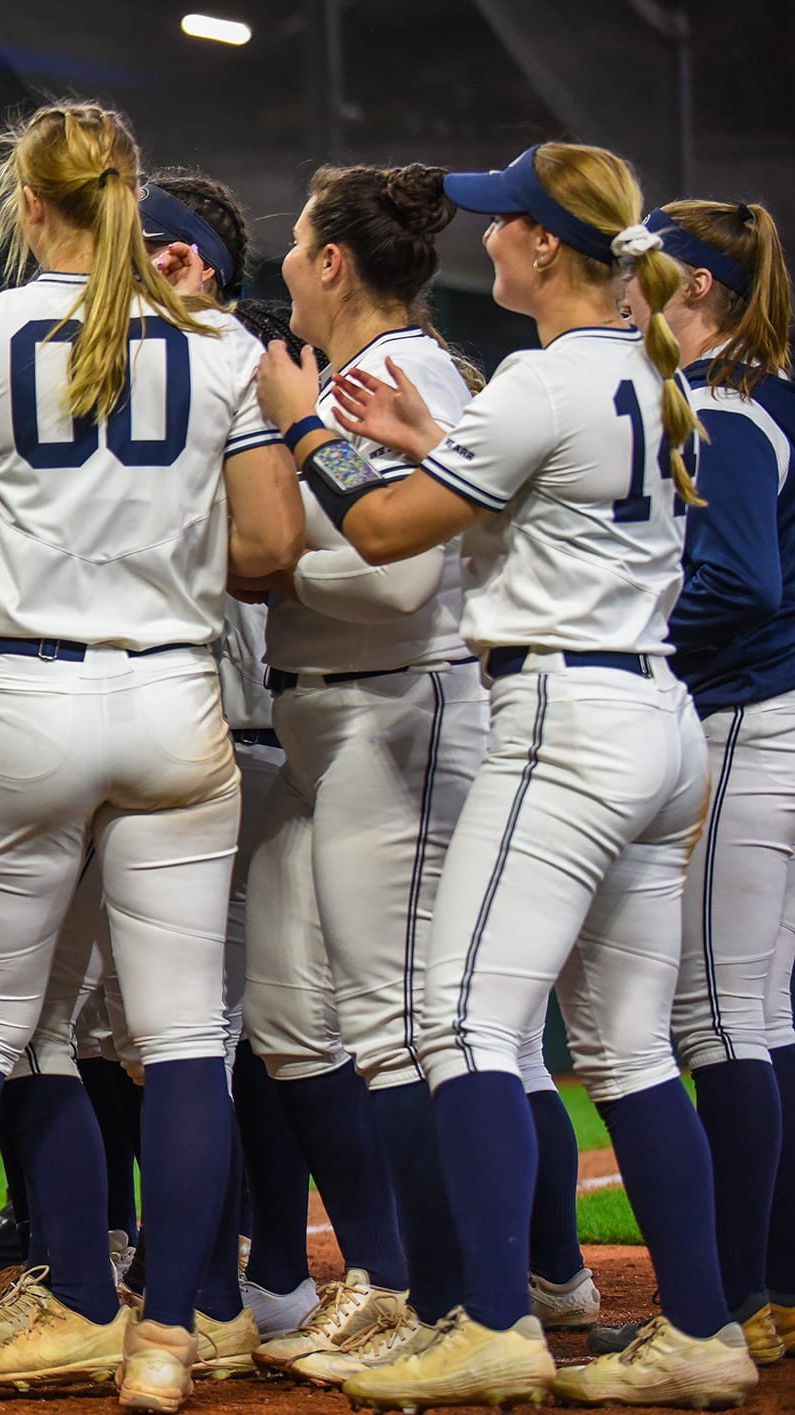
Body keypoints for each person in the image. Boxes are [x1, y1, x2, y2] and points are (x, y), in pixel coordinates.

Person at [304, 141, 758, 1409]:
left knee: (461, 1024)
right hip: (655, 715)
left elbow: (387, 527)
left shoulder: (540, 377)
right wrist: (432, 432)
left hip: (562, 720)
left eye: (504, 223)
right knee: (623, 1047)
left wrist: (303, 428)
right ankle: (704, 1330)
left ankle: (495, 1321)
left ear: (543, 248)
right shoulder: (646, 372)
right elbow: (553, 492)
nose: (487, 237)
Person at [0, 100, 303, 1409]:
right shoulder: (220, 342)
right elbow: (273, 550)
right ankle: (166, 1337)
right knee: (179, 1038)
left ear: (30, 204)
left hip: (28, 696)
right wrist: (151, 556)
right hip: (174, 694)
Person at [244, 162, 486, 1381]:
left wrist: (266, 567)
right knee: (294, 1012)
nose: (284, 257)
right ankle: (404, 1279)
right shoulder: (359, 375)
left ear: (331, 262)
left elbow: (395, 576)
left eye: (295, 239)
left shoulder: (394, 377)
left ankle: (452, 1303)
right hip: (326, 720)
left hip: (397, 710)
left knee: (405, 1030)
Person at [632, 197, 794, 1364]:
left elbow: (735, 581)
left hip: (747, 716)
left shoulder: (725, 403)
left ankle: (734, 1293)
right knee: (764, 1015)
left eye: (645, 264)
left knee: (717, 1015)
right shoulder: (767, 389)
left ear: (695, 287)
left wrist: (633, 638)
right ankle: (771, 1282)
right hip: (774, 714)